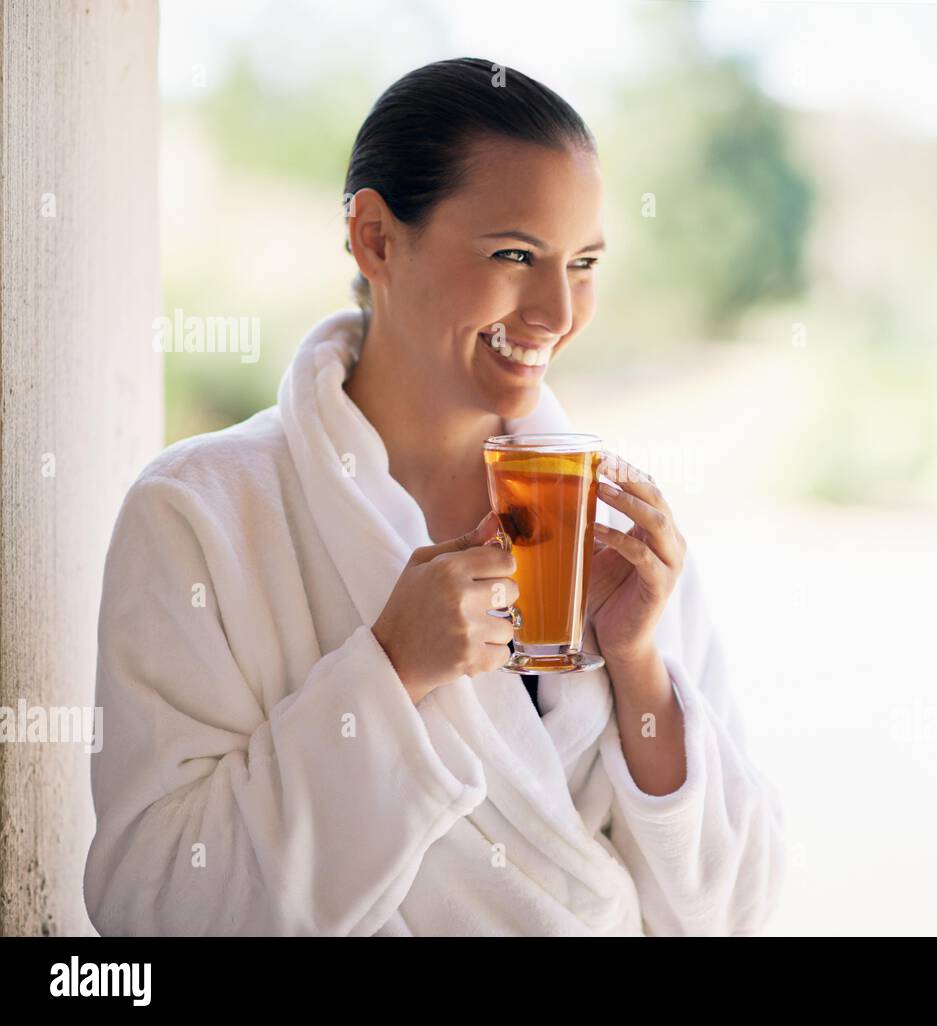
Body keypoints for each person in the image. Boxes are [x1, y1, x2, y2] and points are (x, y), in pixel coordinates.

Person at [83, 57, 785, 936]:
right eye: (515, 255)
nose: (557, 310)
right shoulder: (200, 514)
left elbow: (733, 912)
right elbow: (151, 903)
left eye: (584, 262)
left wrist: (640, 665)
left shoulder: (609, 525)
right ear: (375, 237)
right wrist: (389, 671)